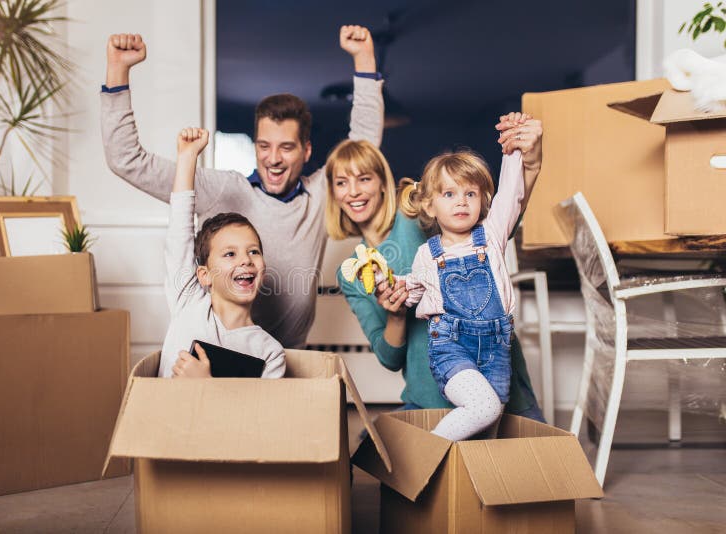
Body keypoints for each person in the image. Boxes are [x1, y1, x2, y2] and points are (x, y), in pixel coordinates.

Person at [101, 27, 382, 349]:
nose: (273, 159)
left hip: (289, 356)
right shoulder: (223, 190)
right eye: (264, 145)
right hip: (220, 353)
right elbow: (127, 160)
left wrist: (364, 58)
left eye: (286, 148)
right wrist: (118, 71)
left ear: (306, 151)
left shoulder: (318, 196)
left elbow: (363, 147)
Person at [325, 114, 547, 420]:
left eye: (364, 178)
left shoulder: (416, 214)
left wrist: (530, 164)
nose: (353, 192)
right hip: (431, 399)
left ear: (383, 183)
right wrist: (396, 314)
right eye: (341, 183)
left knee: (533, 464)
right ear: (333, 194)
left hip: (500, 378)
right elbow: (389, 358)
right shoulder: (352, 272)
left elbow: (498, 226)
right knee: (375, 454)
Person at [389, 147, 526, 440]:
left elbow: (512, 193)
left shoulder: (491, 236)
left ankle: (463, 483)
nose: (461, 201)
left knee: (488, 428)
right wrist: (389, 286)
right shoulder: (427, 254)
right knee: (483, 408)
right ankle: (429, 456)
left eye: (470, 194)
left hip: (497, 349)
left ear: (483, 201)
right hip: (451, 347)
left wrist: (514, 150)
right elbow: (411, 292)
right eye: (449, 194)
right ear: (428, 205)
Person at [159, 126, 285, 380]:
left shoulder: (270, 352)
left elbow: (263, 418)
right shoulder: (189, 302)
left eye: (253, 251)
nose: (245, 260)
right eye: (230, 254)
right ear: (204, 275)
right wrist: (187, 157)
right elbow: (180, 227)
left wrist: (206, 384)